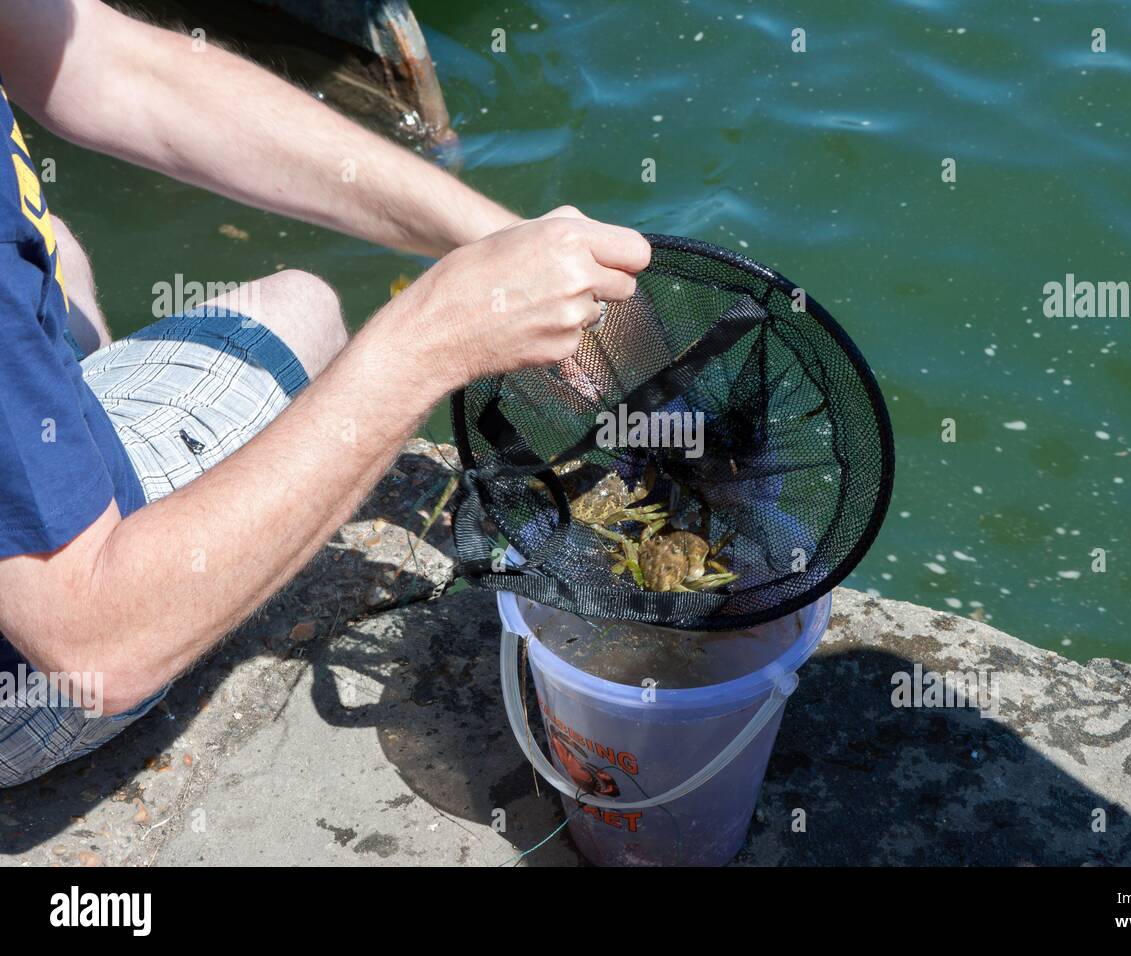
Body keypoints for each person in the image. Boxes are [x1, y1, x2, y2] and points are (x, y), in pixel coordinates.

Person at [0, 0, 650, 787]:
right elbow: (93, 654)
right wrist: (434, 336)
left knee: (50, 241)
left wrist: (500, 239)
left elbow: (115, 67)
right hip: (58, 657)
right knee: (299, 310)